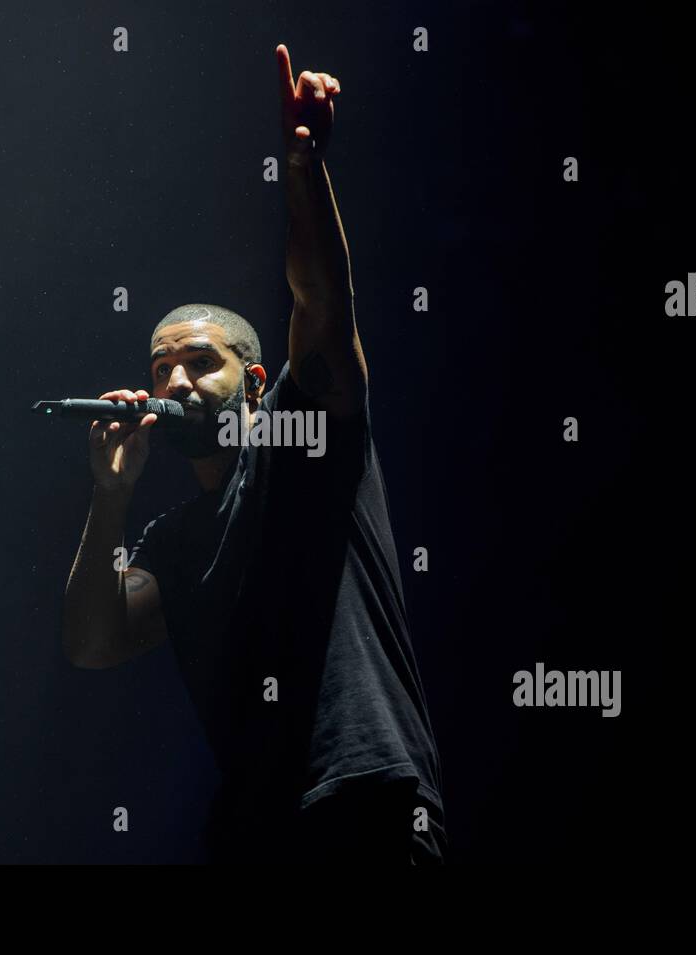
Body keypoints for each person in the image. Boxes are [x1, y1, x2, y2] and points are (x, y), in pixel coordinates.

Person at [62, 44, 445, 863]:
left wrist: (303, 164)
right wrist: (110, 495)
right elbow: (93, 642)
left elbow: (321, 301)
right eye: (162, 365)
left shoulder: (301, 440)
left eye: (201, 361)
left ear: (257, 379)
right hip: (255, 839)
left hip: (366, 807)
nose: (176, 378)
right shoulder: (173, 539)